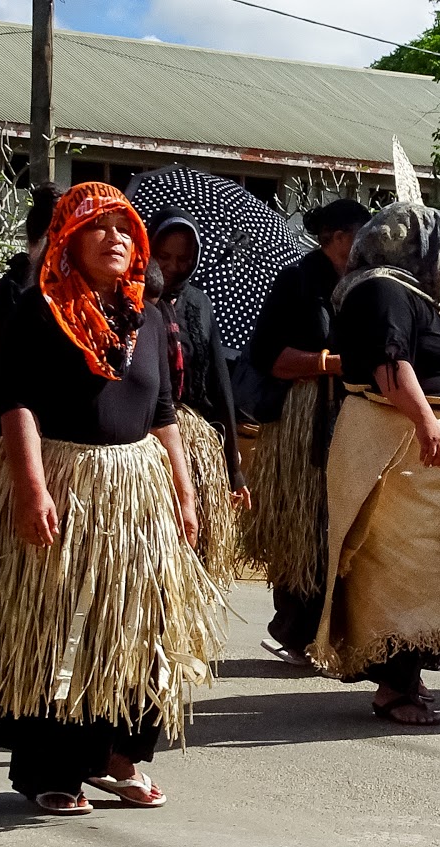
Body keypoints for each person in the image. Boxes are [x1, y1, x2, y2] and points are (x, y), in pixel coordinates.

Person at [0, 182, 224, 816]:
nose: (115, 238)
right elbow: (14, 401)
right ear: (68, 240)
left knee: (135, 627)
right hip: (61, 478)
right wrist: (31, 489)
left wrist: (183, 491)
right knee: (56, 627)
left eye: (125, 228)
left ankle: (118, 756)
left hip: (136, 491)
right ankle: (53, 768)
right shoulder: (37, 309)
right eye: (98, 227)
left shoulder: (145, 315)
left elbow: (163, 411)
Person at [315, 202, 440, 725]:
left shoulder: (405, 291)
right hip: (398, 445)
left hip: (424, 448)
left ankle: (407, 675)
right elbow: (389, 362)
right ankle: (392, 687)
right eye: (437, 245)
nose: (437, 255)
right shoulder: (380, 290)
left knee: (429, 571)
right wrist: (425, 422)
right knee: (399, 568)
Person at [242, 198, 371, 666]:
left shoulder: (368, 284)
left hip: (354, 414)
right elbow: (270, 358)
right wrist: (331, 363)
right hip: (302, 418)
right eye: (360, 234)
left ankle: (341, 634)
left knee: (347, 526)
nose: (368, 243)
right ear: (336, 238)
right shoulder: (296, 281)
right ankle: (295, 632)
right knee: (305, 526)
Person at [148, 205, 248, 584]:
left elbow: (221, 386)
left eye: (183, 259)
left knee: (191, 554)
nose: (173, 267)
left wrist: (233, 470)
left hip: (194, 437)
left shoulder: (200, 304)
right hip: (148, 439)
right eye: (164, 256)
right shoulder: (134, 300)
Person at [0, 182, 62, 454]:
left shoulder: (77, 296)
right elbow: (4, 380)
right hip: (14, 428)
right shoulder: (12, 294)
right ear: (47, 238)